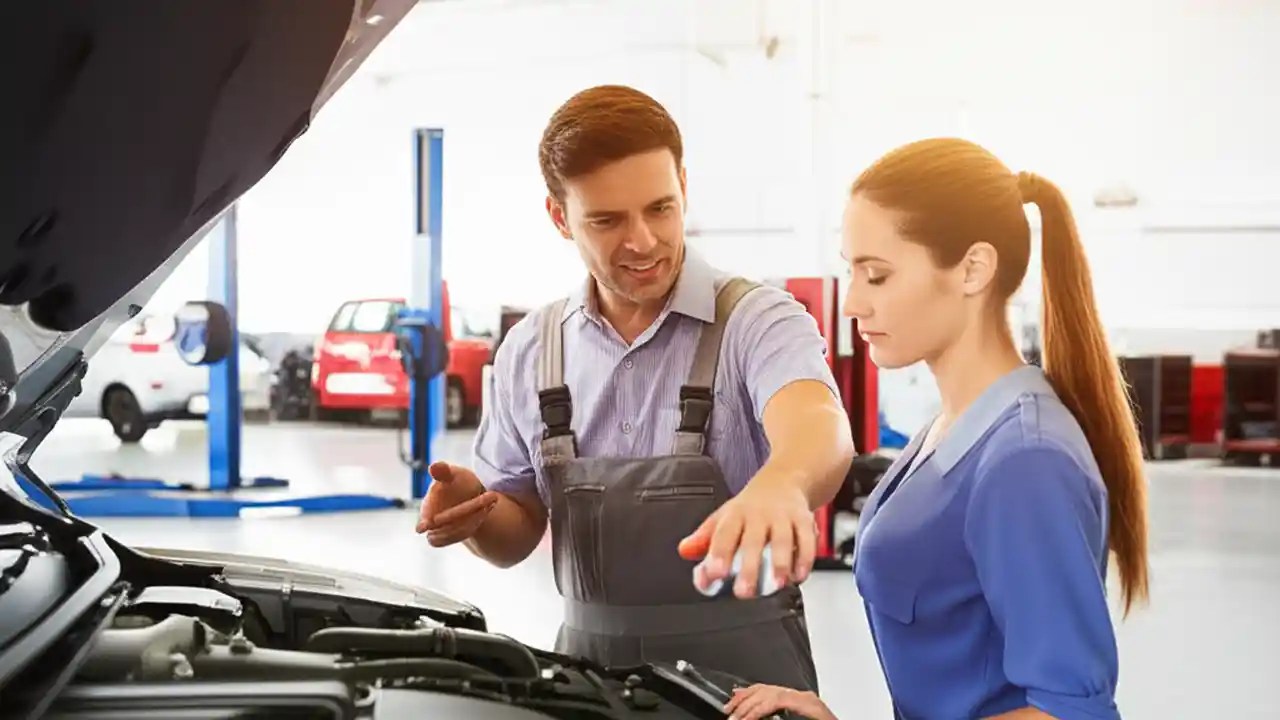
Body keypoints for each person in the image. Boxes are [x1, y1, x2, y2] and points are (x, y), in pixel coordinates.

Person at [414, 84, 856, 691]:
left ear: (684, 186)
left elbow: (818, 427)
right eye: (607, 220)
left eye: (660, 208)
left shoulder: (758, 320)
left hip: (747, 683)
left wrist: (783, 484)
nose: (643, 241)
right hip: (591, 678)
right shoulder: (529, 351)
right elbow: (515, 536)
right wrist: (476, 515)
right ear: (558, 217)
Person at [724, 137, 1149, 720]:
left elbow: (1066, 712)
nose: (852, 302)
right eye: (852, 272)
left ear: (973, 269)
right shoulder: (951, 427)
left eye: (877, 276)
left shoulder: (1024, 460)